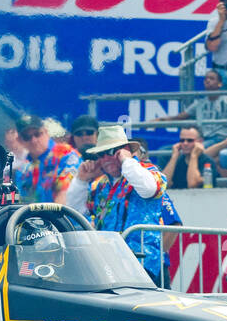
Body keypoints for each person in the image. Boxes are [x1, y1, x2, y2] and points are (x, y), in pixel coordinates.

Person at [71, 125, 170, 285]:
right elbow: (76, 213)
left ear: (125, 151)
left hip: (145, 263)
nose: (107, 158)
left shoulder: (149, 172)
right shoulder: (99, 185)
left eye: (113, 152)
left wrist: (126, 160)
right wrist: (81, 180)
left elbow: (149, 189)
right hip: (110, 265)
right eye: (102, 154)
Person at [12, 114, 80, 205]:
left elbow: (65, 193)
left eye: (37, 134)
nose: (34, 140)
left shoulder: (66, 155)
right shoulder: (23, 170)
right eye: (27, 137)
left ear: (46, 132)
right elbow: (23, 202)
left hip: (65, 216)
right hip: (35, 217)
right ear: (20, 140)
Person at [163, 69, 227, 148]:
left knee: (194, 148)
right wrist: (160, 120)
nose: (208, 80)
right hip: (204, 139)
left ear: (220, 84)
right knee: (165, 150)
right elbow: (180, 117)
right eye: (206, 79)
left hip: (221, 138)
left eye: (212, 79)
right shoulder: (200, 103)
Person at [161, 124, 215, 189]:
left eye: (190, 140)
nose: (185, 143)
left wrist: (194, 156)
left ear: (200, 142)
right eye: (182, 140)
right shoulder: (176, 161)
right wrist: (174, 157)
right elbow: (163, 185)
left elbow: (192, 185)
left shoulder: (207, 162)